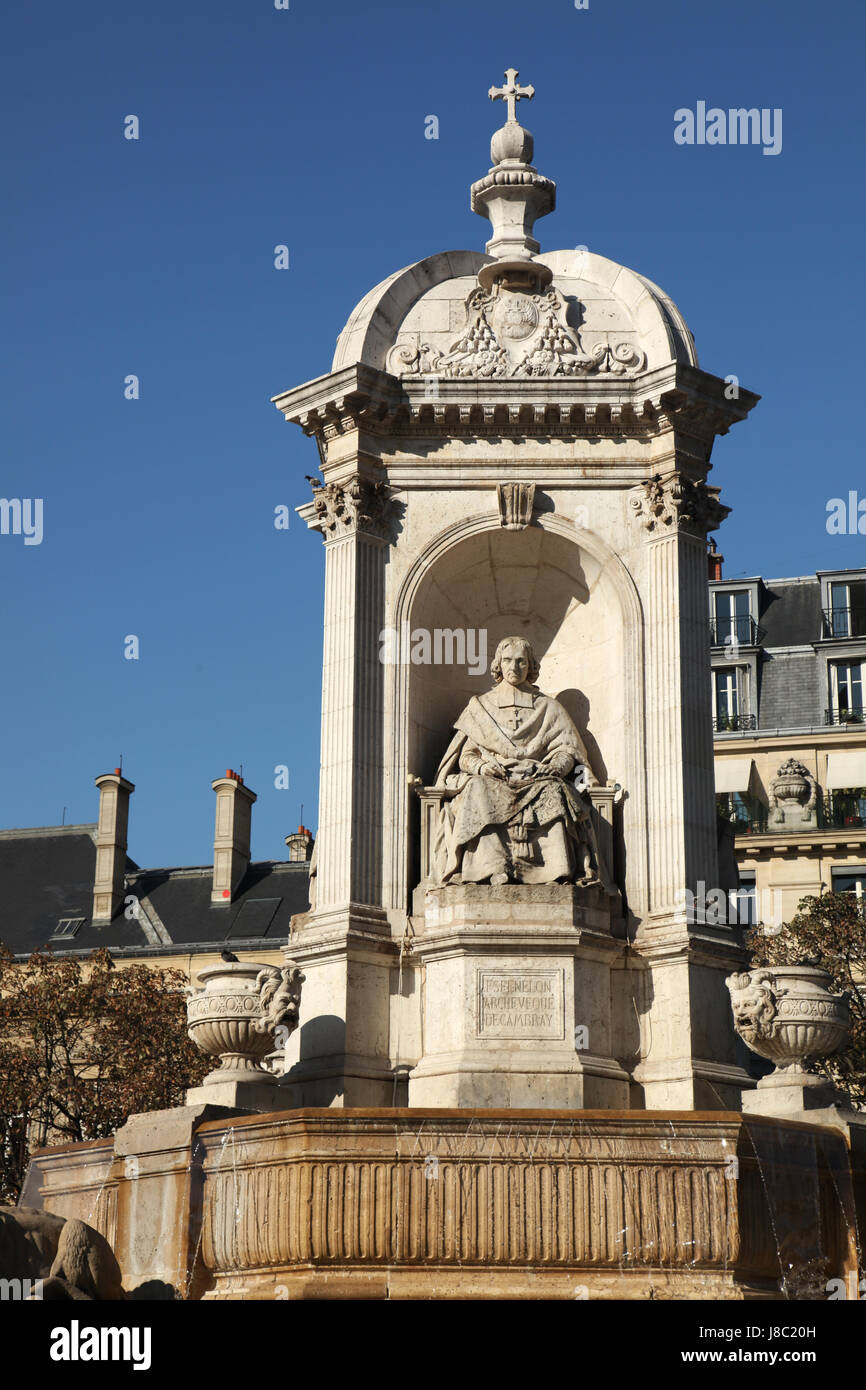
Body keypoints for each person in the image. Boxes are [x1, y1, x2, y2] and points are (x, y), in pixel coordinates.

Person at [431, 636, 602, 885]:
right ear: (498, 664)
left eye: (522, 661)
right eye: (508, 660)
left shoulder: (549, 708)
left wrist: (556, 766)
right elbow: (465, 756)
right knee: (477, 789)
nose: (514, 666)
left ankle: (553, 870)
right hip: (494, 778)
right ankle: (491, 867)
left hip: (537, 778)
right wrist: (482, 766)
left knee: (556, 790)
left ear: (531, 666)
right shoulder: (480, 707)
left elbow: (569, 751)